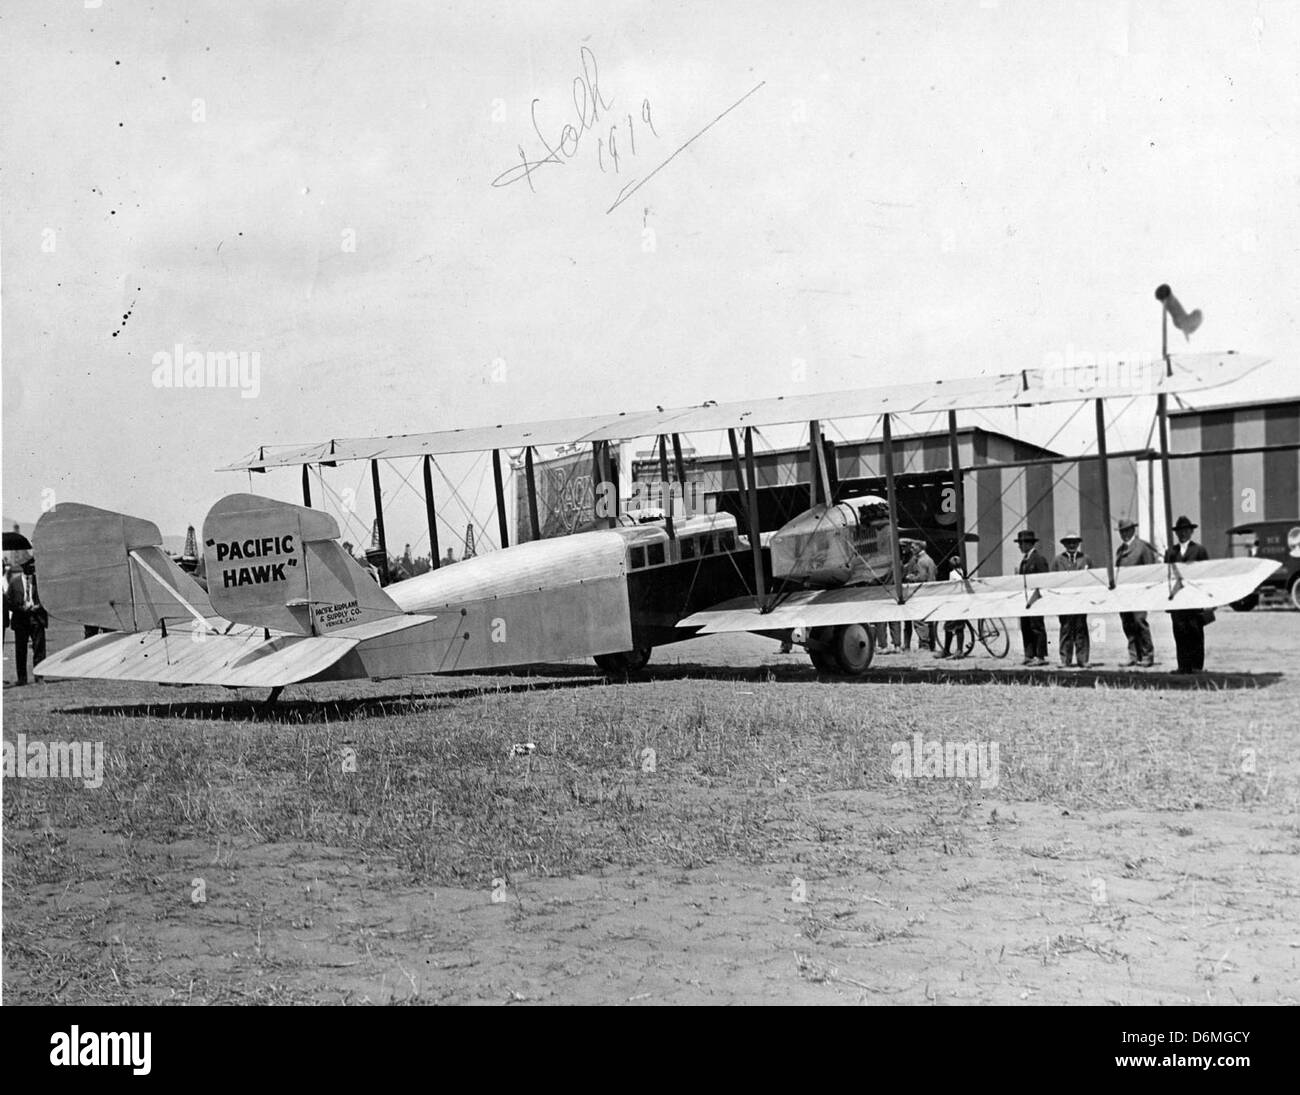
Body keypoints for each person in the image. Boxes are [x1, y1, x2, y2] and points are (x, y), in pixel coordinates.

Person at [1164, 515, 1210, 673]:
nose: (1183, 533)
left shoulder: (1199, 550)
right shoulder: (1170, 552)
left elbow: (1206, 575)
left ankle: (1197, 666)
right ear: (1176, 533)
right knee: (1179, 632)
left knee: (1195, 632)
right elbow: (1167, 577)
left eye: (1186, 530)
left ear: (1191, 532)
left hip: (1194, 599)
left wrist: (1206, 600)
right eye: (1180, 531)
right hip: (1177, 600)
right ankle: (1183, 666)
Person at [1115, 518, 1157, 667]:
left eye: (1127, 530)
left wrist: (1148, 592)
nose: (1125, 534)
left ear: (1133, 530)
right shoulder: (1120, 551)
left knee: (1140, 623)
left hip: (1139, 594)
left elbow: (1151, 570)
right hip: (1124, 595)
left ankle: (1147, 655)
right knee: (1128, 624)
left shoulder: (1142, 547)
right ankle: (1133, 655)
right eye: (1122, 531)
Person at [1051, 532, 1093, 668]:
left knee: (1081, 629)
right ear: (1064, 545)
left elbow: (1092, 579)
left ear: (1078, 544)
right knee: (1066, 630)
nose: (1071, 545)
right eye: (1068, 543)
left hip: (1081, 601)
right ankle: (1065, 660)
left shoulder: (1086, 559)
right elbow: (1052, 581)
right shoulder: (1058, 560)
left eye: (1074, 542)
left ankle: (1083, 660)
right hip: (1064, 602)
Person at [4, 558, 47, 685]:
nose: (33, 568)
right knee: (21, 649)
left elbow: (46, 599)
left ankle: (39, 676)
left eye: (34, 565)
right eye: (30, 566)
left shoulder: (40, 582)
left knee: (39, 648)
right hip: (21, 619)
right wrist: (21, 607)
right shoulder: (14, 583)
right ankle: (22, 678)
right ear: (24, 567)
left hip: (36, 619)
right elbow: (9, 602)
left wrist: (38, 606)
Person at [1015, 529, 1049, 666]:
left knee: (1037, 627)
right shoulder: (1024, 560)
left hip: (1036, 599)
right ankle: (1029, 654)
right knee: (1026, 626)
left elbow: (1044, 580)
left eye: (1021, 544)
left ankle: (1040, 656)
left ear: (1028, 544)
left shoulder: (1039, 559)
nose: (1019, 547)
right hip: (1025, 600)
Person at [934, 555, 969, 659]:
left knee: (950, 626)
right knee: (959, 626)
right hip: (964, 601)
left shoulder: (952, 573)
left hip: (956, 602)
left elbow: (952, 588)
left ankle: (952, 650)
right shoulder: (963, 572)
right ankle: (957, 650)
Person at [908, 539, 938, 651]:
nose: (911, 549)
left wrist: (912, 578)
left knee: (920, 620)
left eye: (913, 547)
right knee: (930, 620)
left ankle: (924, 644)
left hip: (922, 592)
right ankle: (932, 645)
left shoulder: (921, 562)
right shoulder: (930, 560)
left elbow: (922, 577)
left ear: (919, 547)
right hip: (931, 592)